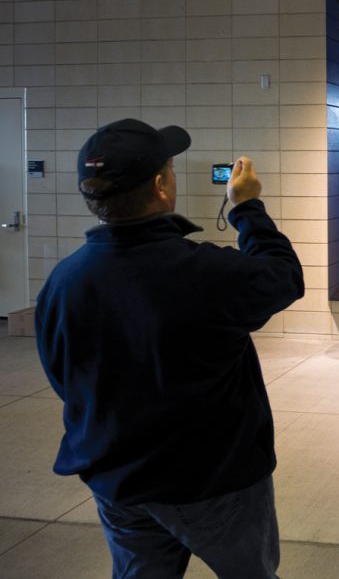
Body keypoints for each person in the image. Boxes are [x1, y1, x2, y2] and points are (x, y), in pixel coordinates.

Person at [34, 118, 304, 578]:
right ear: (161, 185)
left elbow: (67, 381)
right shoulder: (205, 273)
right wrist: (247, 207)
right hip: (216, 482)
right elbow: (284, 276)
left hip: (119, 483)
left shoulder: (63, 282)